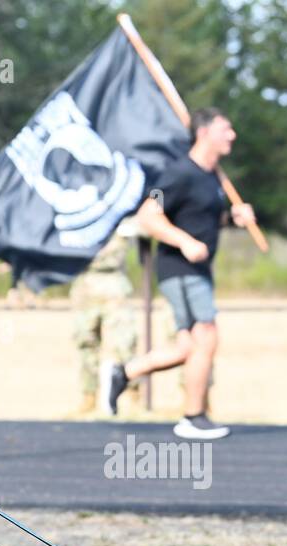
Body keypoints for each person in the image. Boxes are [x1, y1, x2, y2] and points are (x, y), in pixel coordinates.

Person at [103, 107, 255, 440]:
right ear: (204, 133)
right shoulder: (177, 173)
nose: (233, 136)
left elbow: (200, 218)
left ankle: (124, 372)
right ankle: (192, 417)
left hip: (198, 269)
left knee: (187, 349)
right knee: (207, 337)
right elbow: (148, 213)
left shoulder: (213, 176)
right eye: (226, 129)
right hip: (181, 268)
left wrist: (233, 218)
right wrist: (185, 242)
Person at [70, 218, 139, 414]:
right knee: (85, 342)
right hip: (85, 281)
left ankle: (133, 396)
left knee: (124, 343)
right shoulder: (79, 210)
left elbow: (147, 223)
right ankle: (88, 396)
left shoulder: (121, 207)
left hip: (113, 281)